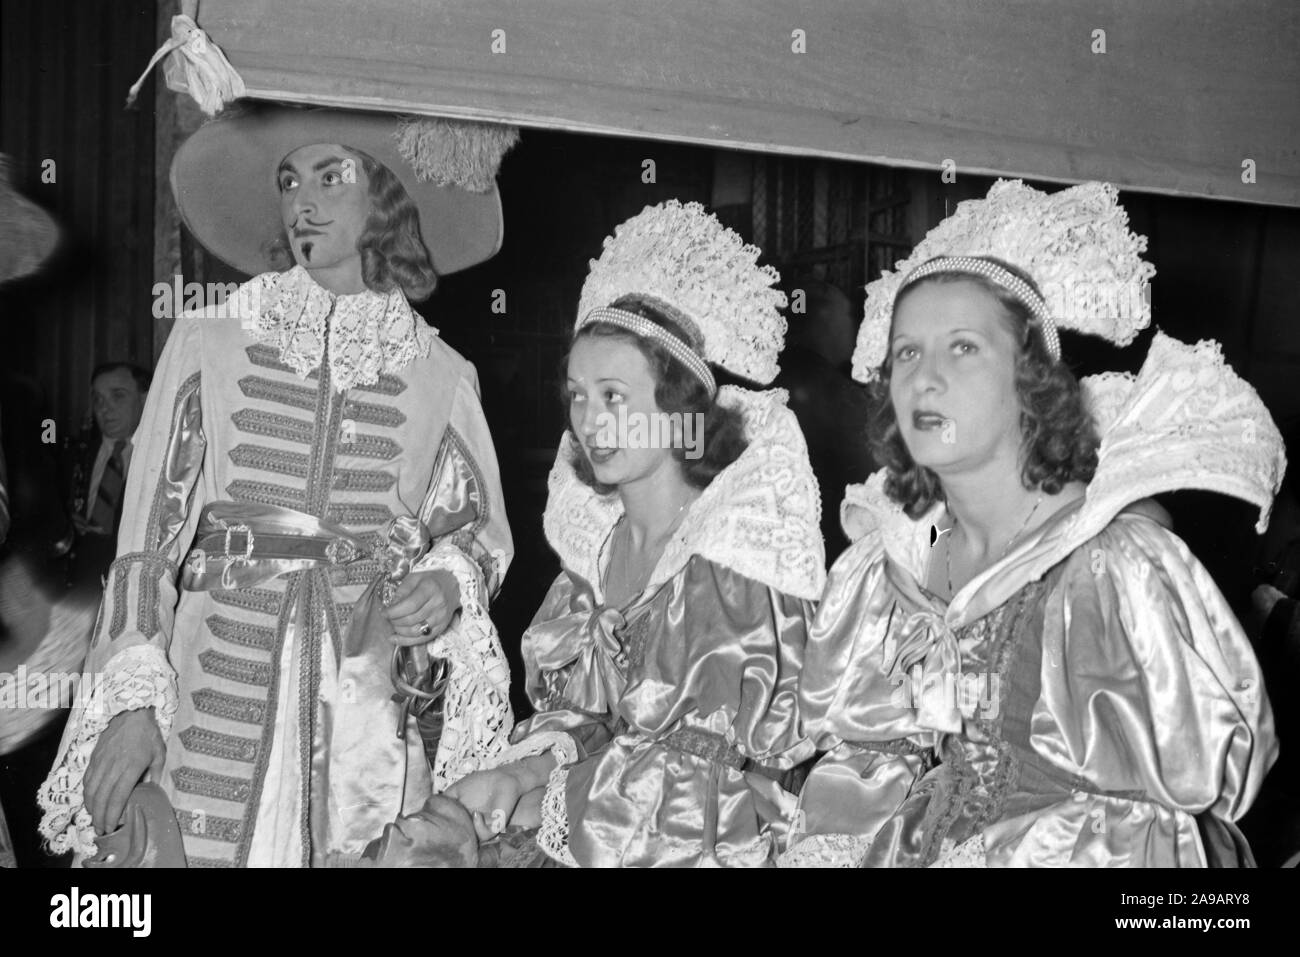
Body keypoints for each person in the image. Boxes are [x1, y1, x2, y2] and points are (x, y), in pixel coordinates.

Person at [38, 103, 518, 867]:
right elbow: (145, 549)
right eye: (291, 179)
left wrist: (449, 578)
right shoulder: (209, 340)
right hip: (213, 692)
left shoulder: (441, 372)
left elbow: (477, 533)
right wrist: (132, 699)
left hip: (366, 722)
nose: (303, 201)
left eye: (333, 177)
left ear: (386, 198)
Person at [785, 180, 1285, 867]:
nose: (924, 378)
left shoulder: (1114, 569)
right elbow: (866, 774)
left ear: (1030, 380)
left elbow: (1151, 846)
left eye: (962, 347)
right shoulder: (892, 561)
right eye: (906, 352)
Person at [446, 200, 826, 866]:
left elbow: (700, 790)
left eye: (614, 394)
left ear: (679, 407)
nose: (589, 419)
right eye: (577, 393)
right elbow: (588, 728)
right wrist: (517, 776)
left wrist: (542, 803)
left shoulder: (733, 571)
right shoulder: (588, 566)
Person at [59, 363, 152, 586]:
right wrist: (65, 523)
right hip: (75, 581)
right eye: (97, 399)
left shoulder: (159, 459)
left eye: (117, 396)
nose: (104, 408)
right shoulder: (70, 455)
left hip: (131, 582)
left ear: (145, 398)